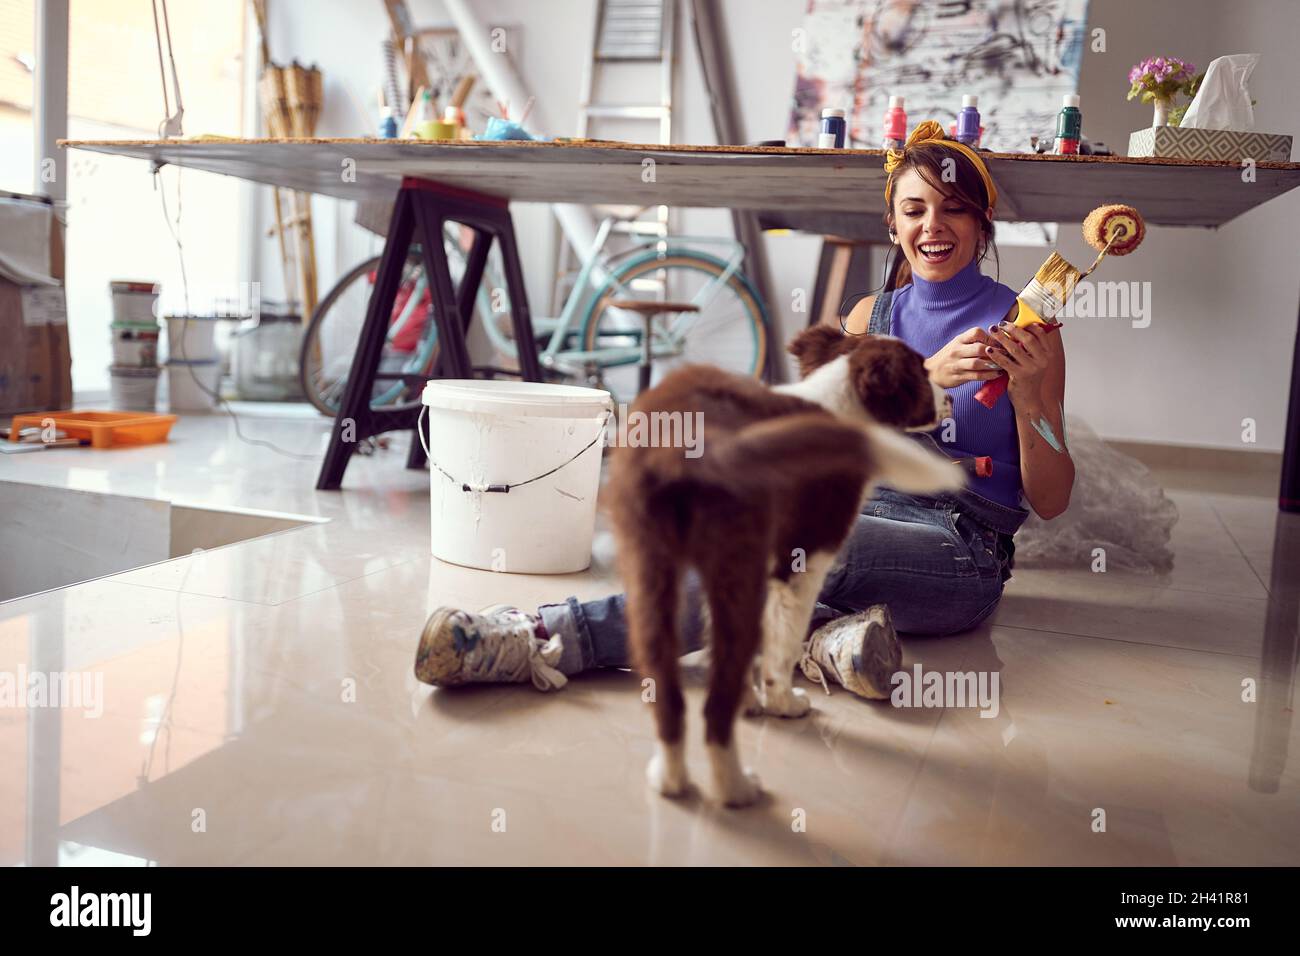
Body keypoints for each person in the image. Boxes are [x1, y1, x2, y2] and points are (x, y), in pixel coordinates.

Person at [414, 120, 1075, 699]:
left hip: (961, 548)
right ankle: (827, 646)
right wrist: (922, 379)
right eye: (915, 209)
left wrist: (1028, 401)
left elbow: (1050, 499)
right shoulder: (869, 318)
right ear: (893, 223)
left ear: (983, 223)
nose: (934, 227)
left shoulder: (1027, 330)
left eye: (954, 210)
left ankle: (543, 637)